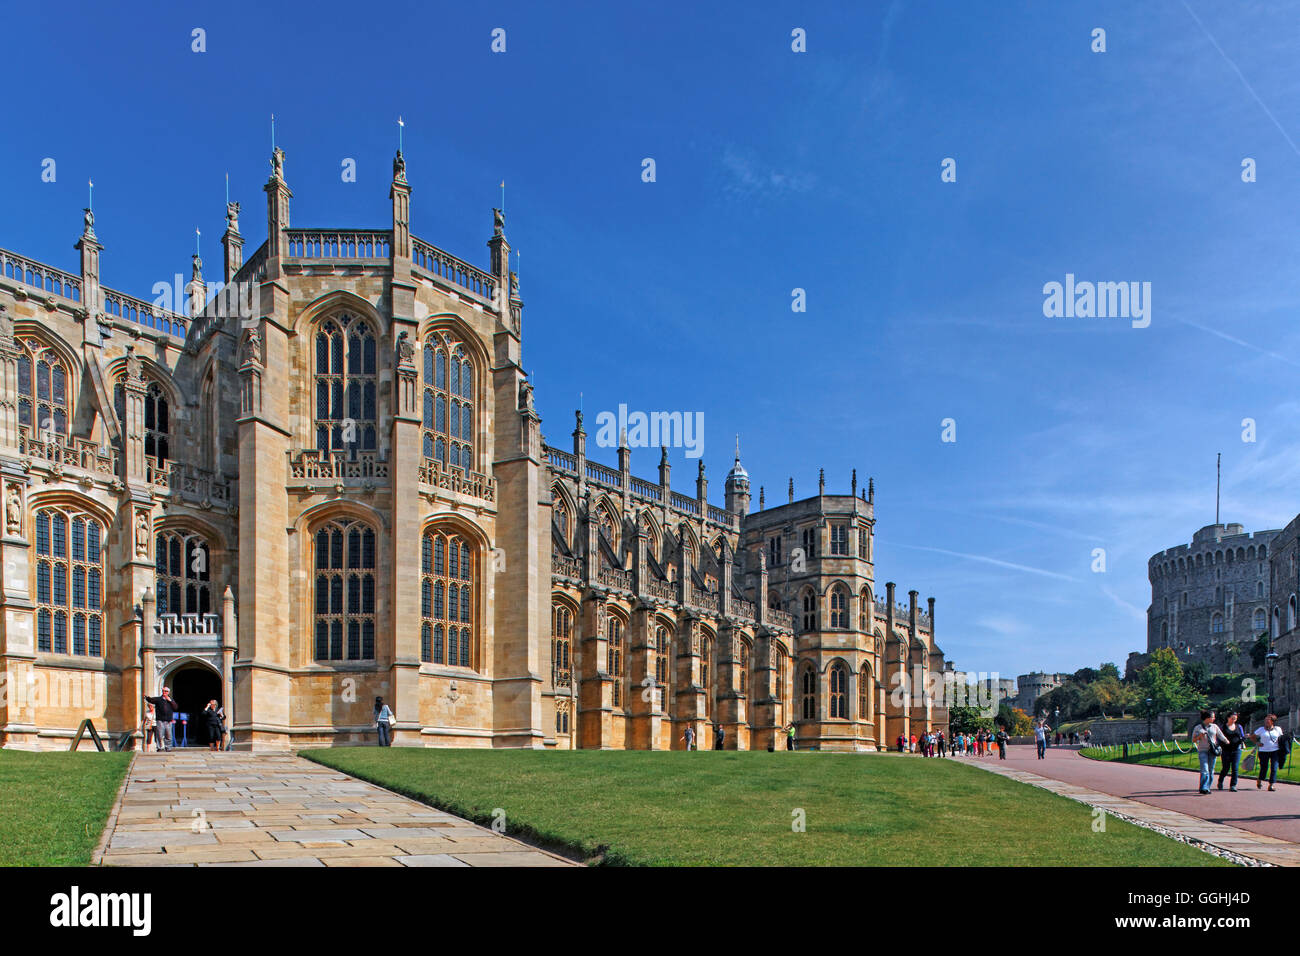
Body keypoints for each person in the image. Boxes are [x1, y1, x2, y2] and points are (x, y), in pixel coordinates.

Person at [1191, 709, 1228, 795]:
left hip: (1212, 750)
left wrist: (1227, 741)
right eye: (1212, 717)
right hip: (1202, 750)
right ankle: (1204, 787)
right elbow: (1193, 740)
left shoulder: (1214, 726)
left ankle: (1207, 787)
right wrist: (1200, 736)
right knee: (1205, 769)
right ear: (1207, 718)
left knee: (1211, 770)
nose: (1214, 718)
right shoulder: (1198, 727)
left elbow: (1220, 735)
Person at [1249, 713, 1284, 791]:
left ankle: (1271, 785)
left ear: (1272, 721)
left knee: (1274, 768)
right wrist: (1257, 743)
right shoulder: (1261, 729)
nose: (1266, 721)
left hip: (1275, 751)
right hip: (1263, 751)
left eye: (1268, 720)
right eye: (1266, 720)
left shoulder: (1278, 729)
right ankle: (1260, 779)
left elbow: (1281, 738)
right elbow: (1252, 737)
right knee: (1264, 768)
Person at [1217, 711, 1245, 791]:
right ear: (1228, 718)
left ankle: (1233, 785)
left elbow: (1242, 736)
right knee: (1226, 768)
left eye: (1235, 719)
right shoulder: (1223, 727)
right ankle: (1220, 780)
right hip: (1226, 750)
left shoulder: (1239, 727)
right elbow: (1219, 738)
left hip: (1236, 750)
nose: (1234, 720)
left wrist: (1244, 737)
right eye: (1232, 718)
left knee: (1235, 768)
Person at [143, 687, 178, 751]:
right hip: (160, 720)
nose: (164, 692)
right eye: (163, 691)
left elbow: (175, 707)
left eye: (166, 691)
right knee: (159, 735)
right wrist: (146, 697)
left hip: (168, 720)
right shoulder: (159, 699)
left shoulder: (171, 700)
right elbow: (151, 700)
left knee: (168, 735)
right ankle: (159, 747)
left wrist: (170, 701)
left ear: (168, 692)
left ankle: (168, 748)